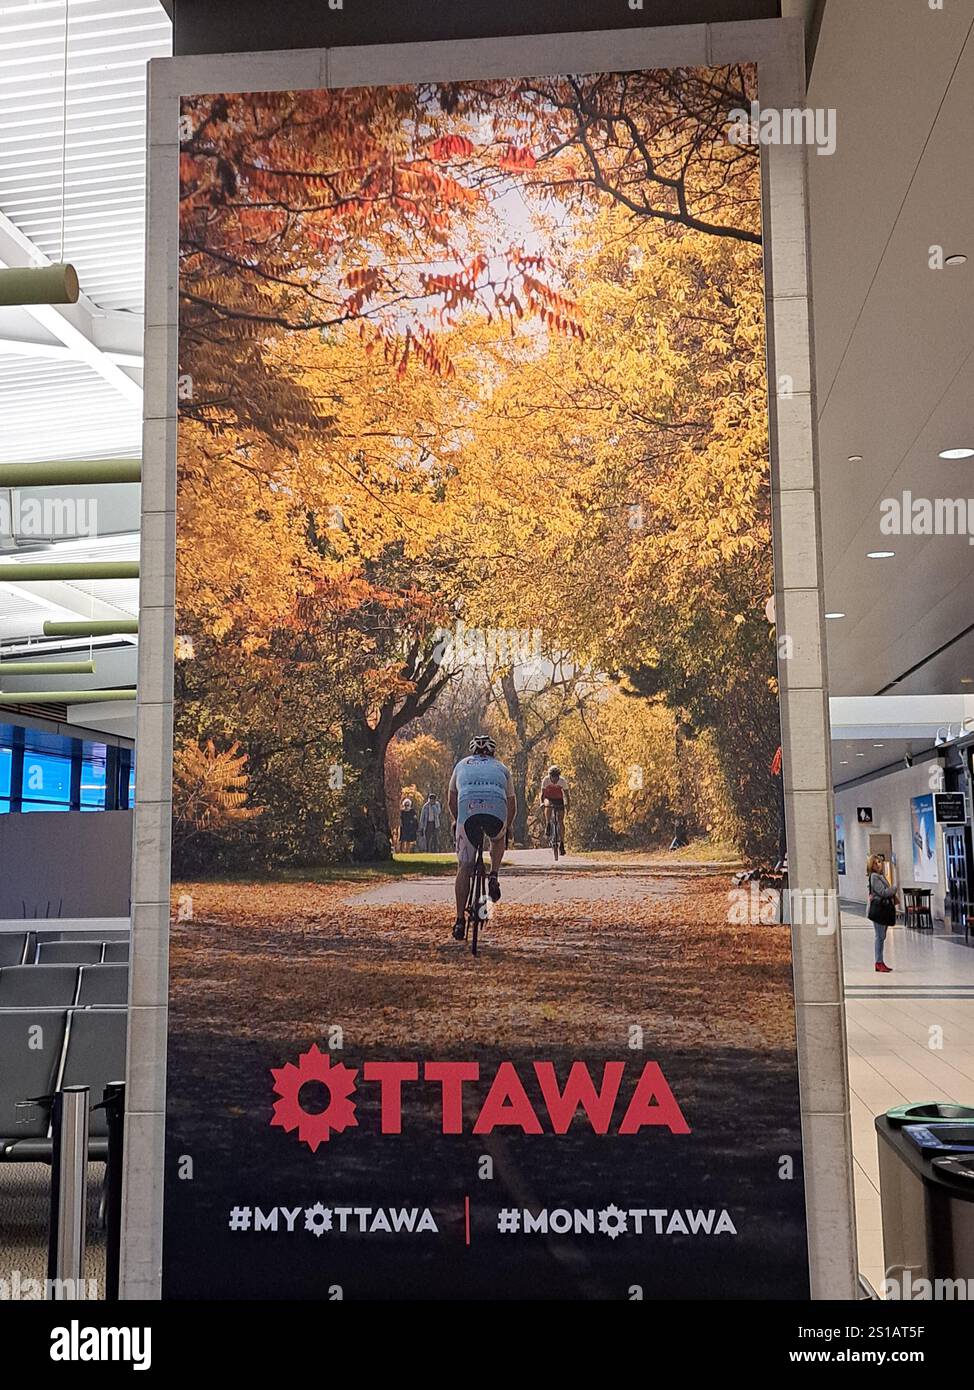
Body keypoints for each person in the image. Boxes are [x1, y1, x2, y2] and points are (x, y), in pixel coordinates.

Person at [448, 735, 516, 940]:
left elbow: (451, 798)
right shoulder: (502, 768)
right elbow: (512, 804)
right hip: (495, 812)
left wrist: (456, 820)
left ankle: (460, 921)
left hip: (467, 812)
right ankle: (494, 875)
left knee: (464, 867)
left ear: (473, 752)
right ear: (492, 752)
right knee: (497, 838)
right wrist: (508, 826)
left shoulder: (461, 765)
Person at [866, 853, 897, 973]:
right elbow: (883, 892)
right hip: (879, 910)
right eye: (877, 862)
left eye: (880, 862)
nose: (880, 864)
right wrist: (894, 888)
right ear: (872, 865)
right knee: (879, 937)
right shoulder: (874, 876)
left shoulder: (880, 876)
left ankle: (880, 961)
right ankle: (878, 962)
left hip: (884, 909)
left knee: (882, 936)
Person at [539, 765, 569, 854]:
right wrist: (541, 803)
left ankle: (562, 844)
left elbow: (567, 795)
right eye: (553, 778)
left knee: (560, 821)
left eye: (556, 778)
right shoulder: (546, 780)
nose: (555, 780)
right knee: (547, 805)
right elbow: (542, 795)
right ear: (550, 776)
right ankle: (548, 823)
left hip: (559, 799)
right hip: (549, 798)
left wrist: (567, 805)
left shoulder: (562, 781)